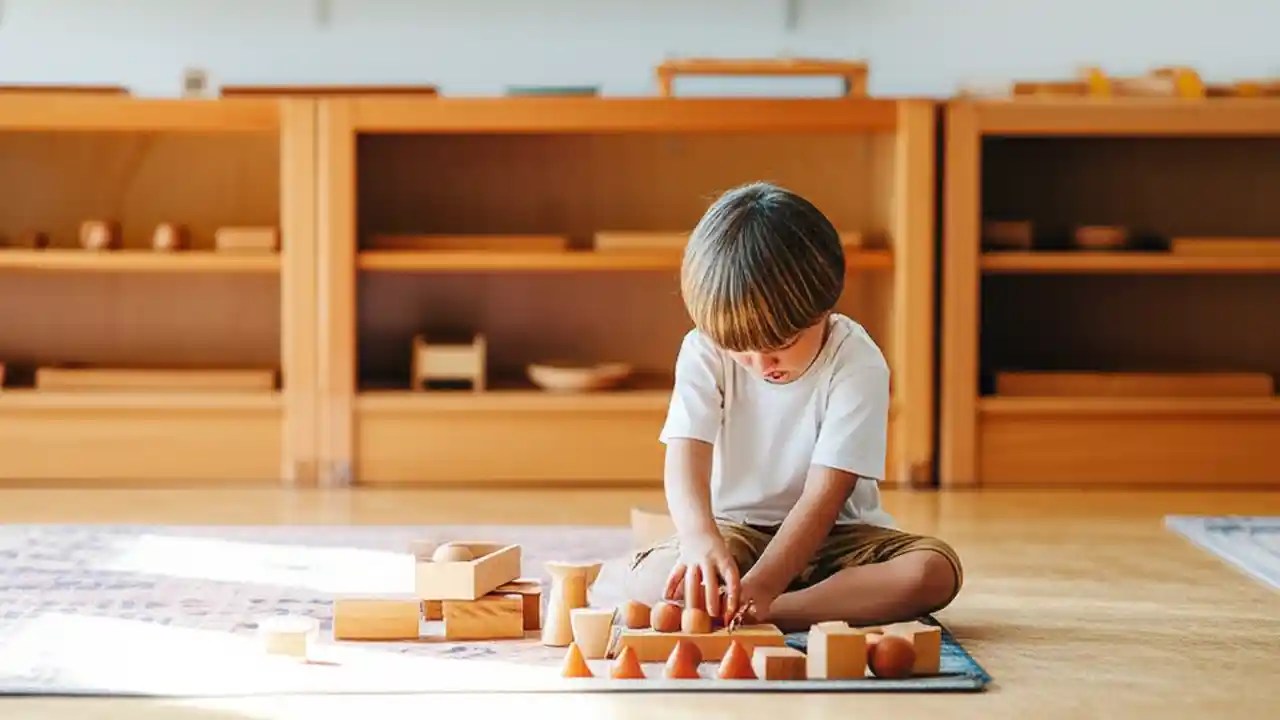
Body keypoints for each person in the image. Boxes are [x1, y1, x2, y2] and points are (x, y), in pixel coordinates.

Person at [626, 181, 962, 632]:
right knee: (649, 581)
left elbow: (825, 496)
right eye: (741, 352)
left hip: (837, 537)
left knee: (932, 572)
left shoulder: (856, 361)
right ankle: (772, 601)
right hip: (736, 530)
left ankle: (777, 611)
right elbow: (685, 454)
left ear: (823, 307)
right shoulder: (704, 350)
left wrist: (764, 590)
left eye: (781, 345)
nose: (762, 365)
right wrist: (699, 537)